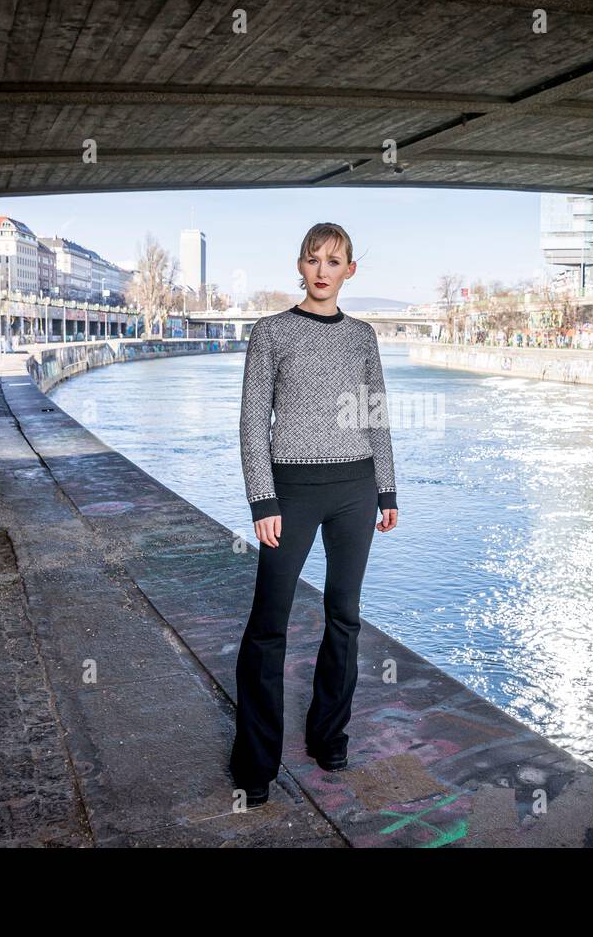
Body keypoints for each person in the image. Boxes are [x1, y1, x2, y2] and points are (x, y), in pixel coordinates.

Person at [231, 222, 399, 808]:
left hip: (355, 489)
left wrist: (387, 491)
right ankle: (255, 763)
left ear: (350, 270)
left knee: (344, 616)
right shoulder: (271, 333)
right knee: (268, 625)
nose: (322, 269)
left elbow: (376, 416)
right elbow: (255, 422)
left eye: (334, 260)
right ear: (299, 267)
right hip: (292, 492)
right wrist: (263, 499)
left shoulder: (363, 337)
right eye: (313, 259)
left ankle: (329, 736)